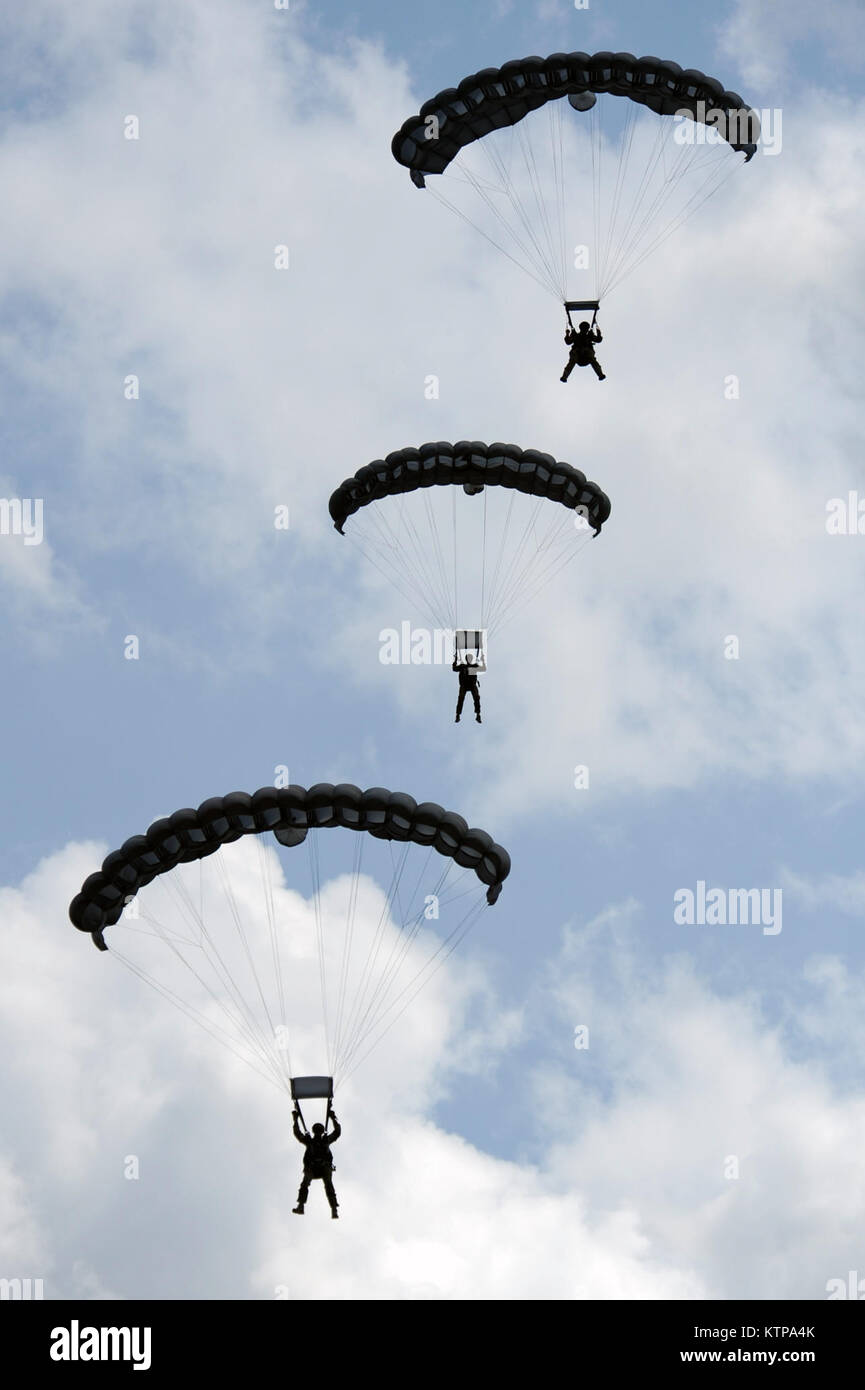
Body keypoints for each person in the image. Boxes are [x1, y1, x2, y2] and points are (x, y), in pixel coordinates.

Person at [292, 1109, 341, 1218]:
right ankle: (301, 1205)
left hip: (324, 1167)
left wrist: (333, 1118)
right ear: (315, 1131)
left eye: (319, 1130)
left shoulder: (325, 1140)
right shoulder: (310, 1141)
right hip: (313, 1167)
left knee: (328, 1184)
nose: (318, 1132)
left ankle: (334, 1208)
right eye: (317, 1130)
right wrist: (295, 1120)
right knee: (305, 1183)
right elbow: (297, 1133)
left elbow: (337, 1132)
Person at [454, 652, 482, 723]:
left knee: (477, 697)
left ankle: (478, 714)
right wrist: (455, 660)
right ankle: (458, 715)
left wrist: (479, 659)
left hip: (472, 684)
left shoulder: (474, 666)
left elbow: (480, 668)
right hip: (464, 684)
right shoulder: (462, 666)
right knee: (461, 698)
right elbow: (454, 668)